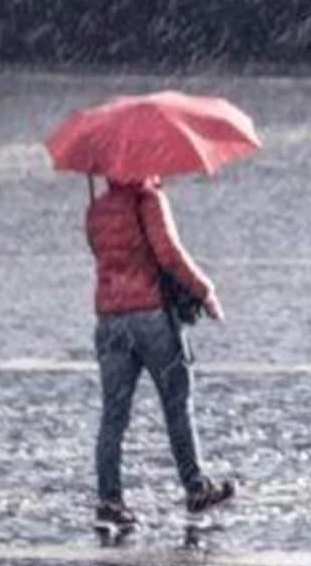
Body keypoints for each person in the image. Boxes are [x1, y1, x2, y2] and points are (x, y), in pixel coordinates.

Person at [84, 175, 236, 529]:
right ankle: (195, 486)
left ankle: (109, 500)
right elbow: (168, 254)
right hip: (151, 317)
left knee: (113, 415)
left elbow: (100, 254)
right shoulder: (149, 200)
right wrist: (205, 291)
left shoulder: (95, 208)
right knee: (177, 402)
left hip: (109, 319)